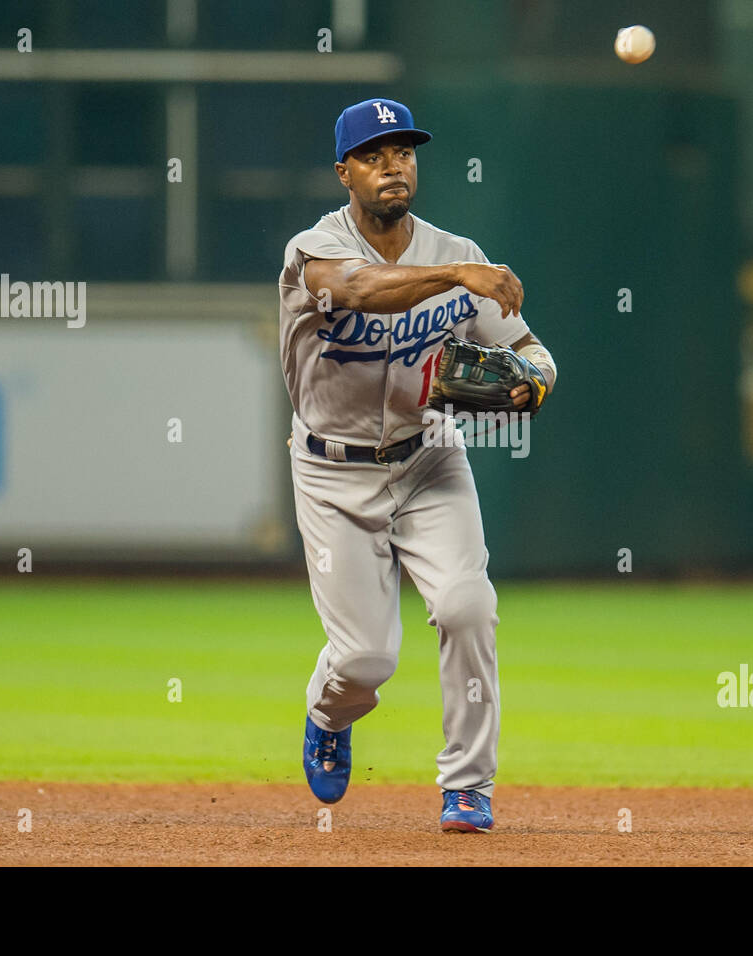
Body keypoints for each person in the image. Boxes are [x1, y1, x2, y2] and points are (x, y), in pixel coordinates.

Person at [276, 98, 558, 833]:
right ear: (345, 172)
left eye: (402, 150)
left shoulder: (453, 249)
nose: (391, 163)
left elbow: (530, 348)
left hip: (429, 457)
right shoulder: (312, 250)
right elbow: (360, 290)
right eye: (372, 154)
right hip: (333, 472)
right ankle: (327, 711)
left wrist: (534, 378)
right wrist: (462, 275)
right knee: (366, 660)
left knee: (469, 607)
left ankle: (468, 786)